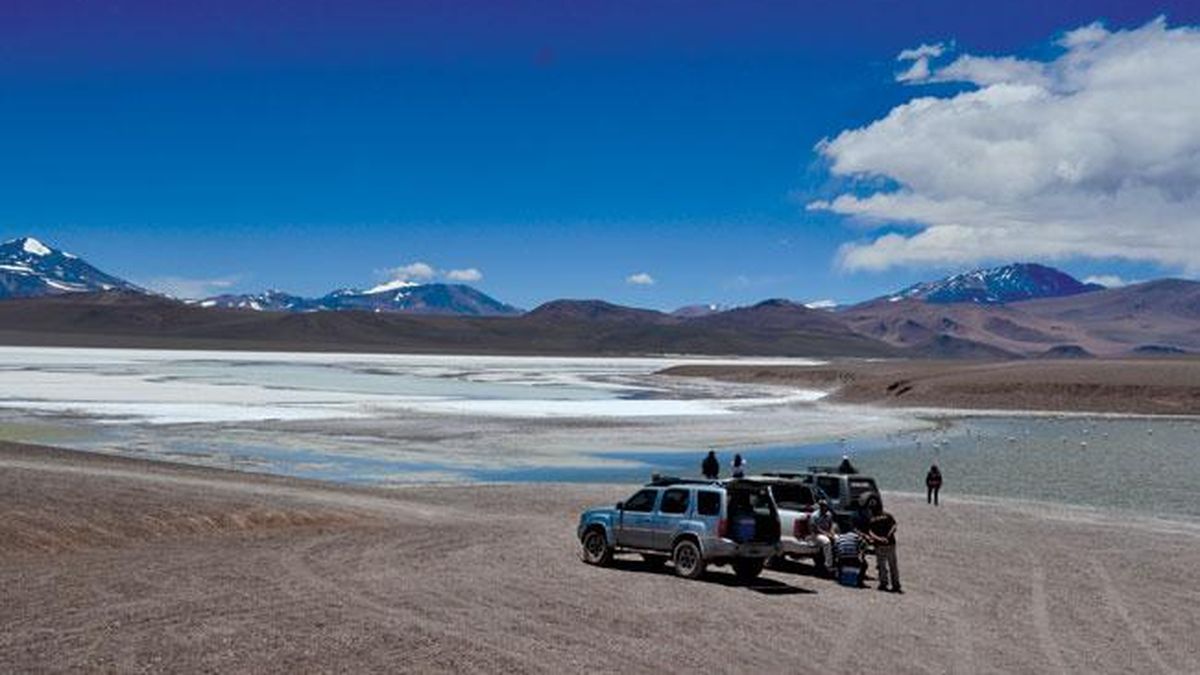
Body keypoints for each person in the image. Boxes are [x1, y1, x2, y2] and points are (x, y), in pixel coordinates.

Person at [866, 502, 901, 592]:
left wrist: (879, 539)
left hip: (879, 544)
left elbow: (871, 533)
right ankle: (895, 584)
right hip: (890, 543)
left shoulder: (872, 520)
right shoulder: (888, 516)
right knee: (893, 565)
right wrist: (889, 534)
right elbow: (894, 526)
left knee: (882, 565)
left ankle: (884, 583)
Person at [808, 499, 836, 574]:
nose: (825, 508)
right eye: (823, 506)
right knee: (827, 542)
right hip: (816, 535)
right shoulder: (814, 515)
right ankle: (828, 564)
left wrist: (832, 532)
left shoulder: (829, 514)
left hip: (827, 532)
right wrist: (826, 534)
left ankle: (837, 561)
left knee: (838, 539)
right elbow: (814, 528)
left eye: (826, 506)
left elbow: (831, 525)